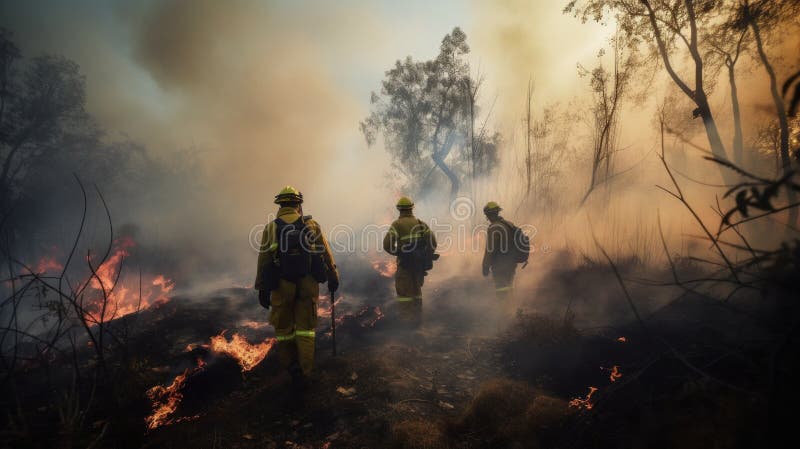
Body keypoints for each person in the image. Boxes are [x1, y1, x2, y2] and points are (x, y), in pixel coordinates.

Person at [255, 186, 339, 389]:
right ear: (298, 204)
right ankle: (306, 372)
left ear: (280, 205)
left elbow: (264, 260)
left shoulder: (271, 228)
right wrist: (333, 275)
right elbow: (325, 253)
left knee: (284, 330)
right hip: (308, 283)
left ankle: (291, 368)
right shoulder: (311, 224)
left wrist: (262, 288)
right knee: (306, 330)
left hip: (282, 285)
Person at [382, 196, 437, 325]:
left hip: (405, 265)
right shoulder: (421, 224)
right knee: (417, 292)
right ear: (412, 208)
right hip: (419, 266)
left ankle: (407, 324)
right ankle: (418, 321)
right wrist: (425, 255)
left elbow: (387, 245)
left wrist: (399, 252)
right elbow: (433, 243)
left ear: (399, 210)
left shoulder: (397, 224)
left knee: (404, 294)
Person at [481, 201, 520, 300]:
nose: (487, 218)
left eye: (487, 215)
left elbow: (490, 249)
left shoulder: (494, 227)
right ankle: (512, 308)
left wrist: (485, 266)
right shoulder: (509, 224)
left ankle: (503, 310)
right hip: (512, 262)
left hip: (500, 264)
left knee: (501, 288)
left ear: (489, 215)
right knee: (509, 285)